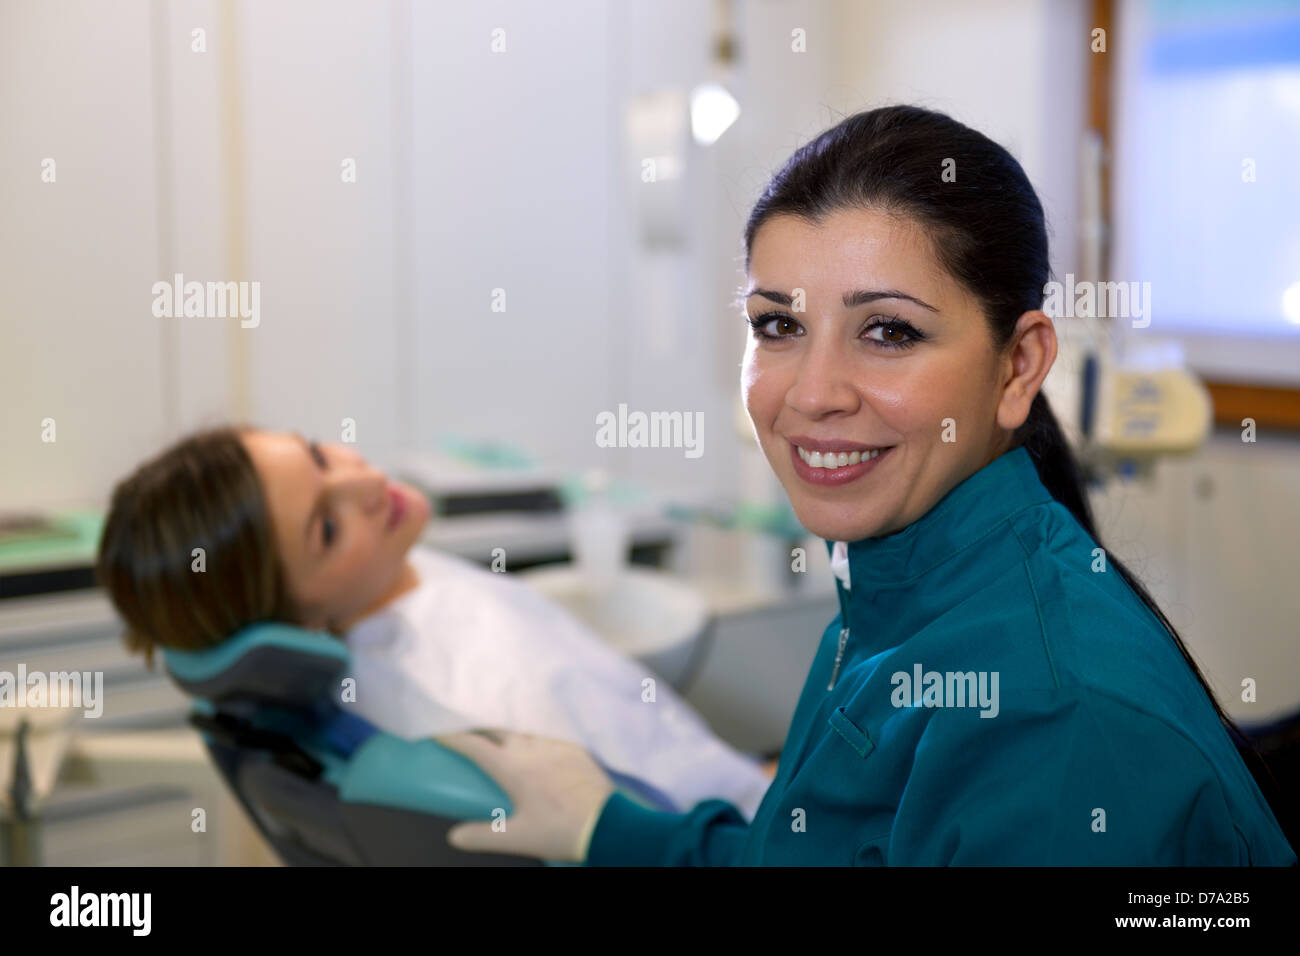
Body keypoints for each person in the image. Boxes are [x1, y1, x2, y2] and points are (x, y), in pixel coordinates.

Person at [435, 104, 1298, 866]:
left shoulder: (1055, 726)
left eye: (887, 331)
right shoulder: (890, 599)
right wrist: (607, 833)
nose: (813, 394)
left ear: (1018, 364)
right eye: (778, 325)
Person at [95, 427, 774, 820]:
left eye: (319, 457)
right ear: (295, 620)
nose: (363, 483)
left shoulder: (397, 581)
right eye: (326, 528)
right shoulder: (483, 701)